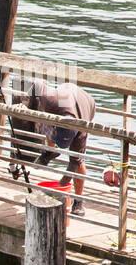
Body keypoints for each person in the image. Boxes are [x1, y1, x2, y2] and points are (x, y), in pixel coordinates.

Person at [18, 79, 96, 217]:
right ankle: (50, 152)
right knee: (45, 121)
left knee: (78, 159)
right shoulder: (50, 100)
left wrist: (60, 187)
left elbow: (74, 163)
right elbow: (36, 83)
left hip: (85, 104)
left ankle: (78, 201)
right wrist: (25, 104)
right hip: (63, 102)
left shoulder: (80, 130)